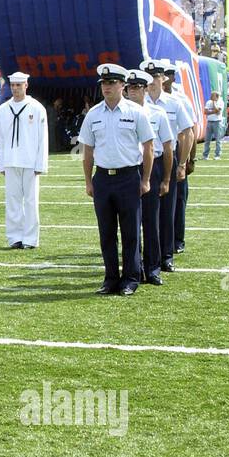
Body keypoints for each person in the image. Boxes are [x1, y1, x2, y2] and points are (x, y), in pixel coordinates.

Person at [79, 64, 155, 296]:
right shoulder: (93, 114)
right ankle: (110, 278)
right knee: (107, 232)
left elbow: (148, 147)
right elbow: (88, 151)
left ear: (122, 85)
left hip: (128, 177)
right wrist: (88, 181)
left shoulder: (136, 112)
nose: (106, 87)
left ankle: (130, 278)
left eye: (111, 83)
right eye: (103, 83)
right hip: (103, 177)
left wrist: (146, 179)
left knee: (131, 231)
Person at [142, 60, 192, 271]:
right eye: (149, 77)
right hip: (143, 162)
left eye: (156, 77)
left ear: (163, 78)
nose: (152, 82)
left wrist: (182, 164)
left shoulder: (174, 102)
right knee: (146, 213)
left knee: (167, 210)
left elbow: (187, 132)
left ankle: (166, 255)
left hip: (165, 159)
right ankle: (148, 256)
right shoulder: (137, 103)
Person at [127, 70, 174, 286]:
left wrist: (165, 179)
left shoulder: (158, 113)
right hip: (128, 168)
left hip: (152, 168)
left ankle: (153, 269)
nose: (133, 91)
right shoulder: (121, 112)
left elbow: (167, 147)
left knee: (151, 222)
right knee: (130, 223)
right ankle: (134, 270)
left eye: (137, 87)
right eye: (130, 88)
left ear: (146, 89)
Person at [0, 71, 48, 250]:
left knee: (31, 201)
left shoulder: (36, 107)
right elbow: (0, 139)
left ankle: (31, 239)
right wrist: (0, 163)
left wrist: (41, 164)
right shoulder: (3, 109)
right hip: (10, 161)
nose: (16, 89)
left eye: (19, 85)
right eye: (13, 85)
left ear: (26, 85)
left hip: (30, 161)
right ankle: (14, 237)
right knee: (12, 201)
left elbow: (43, 138)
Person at [202, 90, 224, 160]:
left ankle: (217, 155)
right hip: (209, 122)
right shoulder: (208, 102)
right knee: (207, 140)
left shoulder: (220, 102)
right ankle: (205, 155)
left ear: (216, 96)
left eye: (213, 95)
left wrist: (214, 103)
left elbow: (218, 112)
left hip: (217, 122)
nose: (211, 96)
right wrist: (214, 111)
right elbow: (205, 112)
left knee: (218, 139)